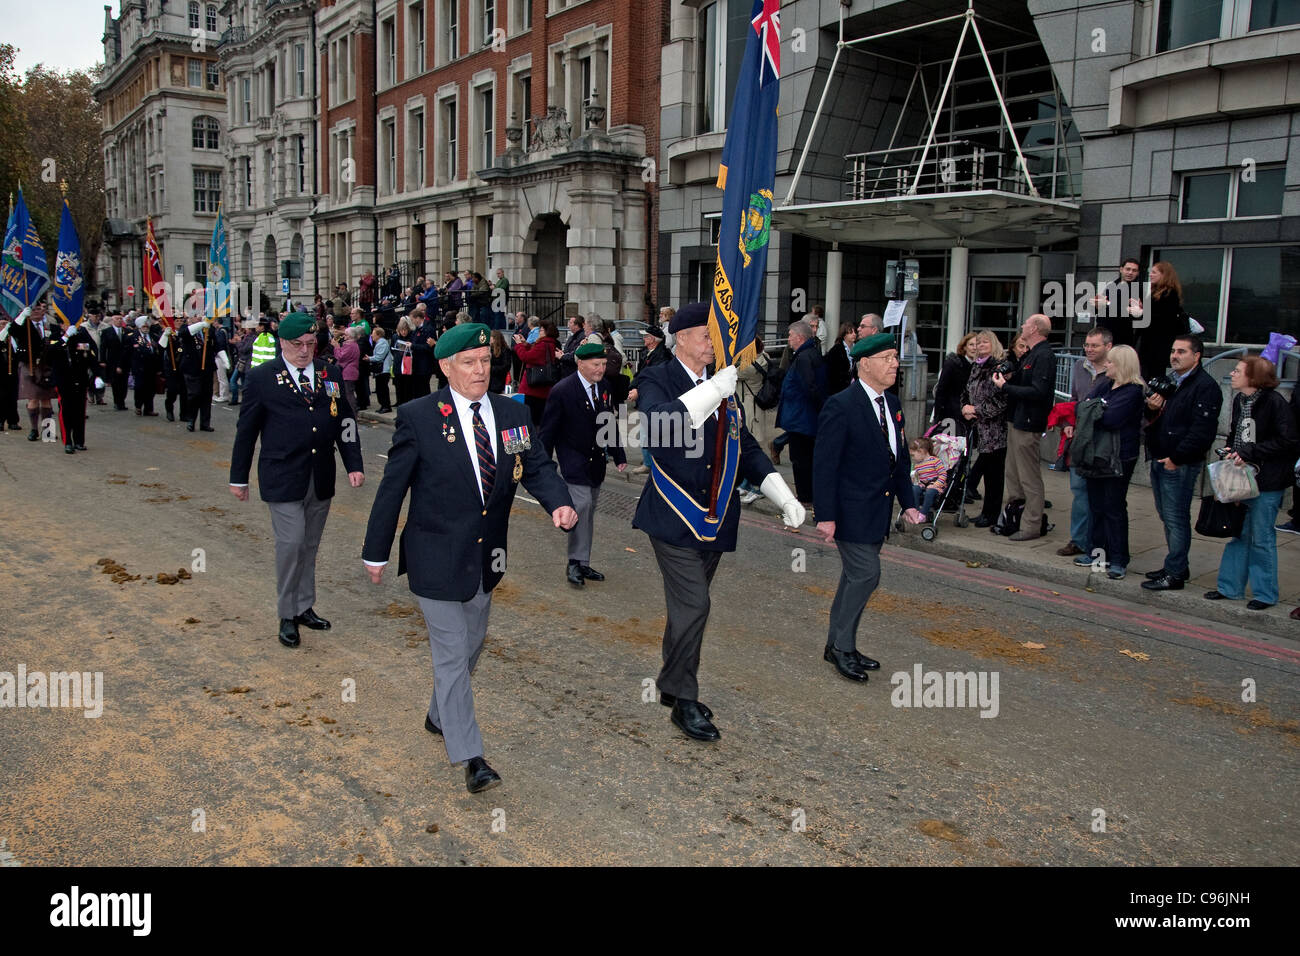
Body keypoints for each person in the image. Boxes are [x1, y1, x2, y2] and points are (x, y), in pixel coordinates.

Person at [361, 323, 577, 794]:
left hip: (486, 557)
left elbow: (534, 466)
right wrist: (375, 550)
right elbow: (392, 488)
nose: (481, 371)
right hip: (433, 554)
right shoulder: (419, 416)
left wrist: (558, 500)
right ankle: (471, 755)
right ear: (445, 367)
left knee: (473, 642)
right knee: (453, 651)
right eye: (469, 362)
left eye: (485, 361)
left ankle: (440, 712)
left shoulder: (511, 414)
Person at [632, 303, 804, 742]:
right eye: (707, 335)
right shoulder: (657, 376)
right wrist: (713, 392)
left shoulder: (721, 383)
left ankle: (671, 684)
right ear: (682, 338)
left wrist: (782, 494)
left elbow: (744, 447)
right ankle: (684, 702)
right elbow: (657, 427)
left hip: (715, 517)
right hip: (671, 517)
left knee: (687, 608)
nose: (715, 342)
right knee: (695, 606)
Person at [229, 313, 366, 647]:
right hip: (282, 475)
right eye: (297, 345)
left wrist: (354, 463)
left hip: (319, 475)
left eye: (310, 344)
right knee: (290, 544)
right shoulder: (263, 377)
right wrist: (239, 477)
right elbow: (247, 431)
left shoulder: (329, 372)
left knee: (309, 545)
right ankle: (287, 613)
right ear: (282, 343)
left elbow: (344, 422)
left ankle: (305, 605)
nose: (305, 351)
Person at [814, 333, 924, 683]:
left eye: (895, 357)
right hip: (849, 512)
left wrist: (908, 503)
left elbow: (900, 458)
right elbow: (825, 464)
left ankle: (839, 644)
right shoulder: (841, 405)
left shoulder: (891, 404)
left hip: (879, 511)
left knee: (852, 579)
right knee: (866, 575)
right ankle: (843, 649)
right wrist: (826, 516)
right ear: (864, 364)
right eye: (888, 357)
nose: (895, 363)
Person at [1203, 357, 1298, 609]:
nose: (1232, 374)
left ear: (1254, 377)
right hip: (1241, 477)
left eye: (1238, 371)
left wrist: (1249, 452)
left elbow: (1288, 441)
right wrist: (1229, 451)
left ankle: (1265, 594)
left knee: (1261, 537)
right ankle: (1229, 587)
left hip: (1267, 481)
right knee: (1238, 533)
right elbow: (1237, 435)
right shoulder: (1240, 400)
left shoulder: (1274, 403)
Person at [540, 340, 627, 586]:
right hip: (574, 460)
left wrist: (619, 454)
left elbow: (609, 422)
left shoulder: (605, 387)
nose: (601, 369)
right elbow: (547, 431)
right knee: (582, 506)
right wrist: (542, 467)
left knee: (588, 513)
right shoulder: (563, 390)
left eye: (603, 364)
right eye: (596, 364)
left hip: (596, 462)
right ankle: (575, 563)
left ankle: (584, 562)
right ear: (580, 364)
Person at [1140, 334, 1223, 591]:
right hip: (1160, 458)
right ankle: (1176, 565)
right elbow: (1160, 419)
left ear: (1196, 356)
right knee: (1167, 516)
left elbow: (1201, 432)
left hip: (1179, 463)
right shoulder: (1173, 382)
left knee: (1176, 519)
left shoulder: (1205, 387)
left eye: (1182, 352)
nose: (1174, 356)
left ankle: (1175, 574)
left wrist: (1176, 459)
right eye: (1173, 351)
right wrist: (1152, 408)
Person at [1071, 344, 1144, 579]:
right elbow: (1083, 407)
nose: (1106, 365)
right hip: (1095, 453)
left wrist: (1097, 408)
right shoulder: (1105, 384)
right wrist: (1097, 408)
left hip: (1118, 456)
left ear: (1122, 365)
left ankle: (1118, 558)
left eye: (1111, 362)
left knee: (1113, 507)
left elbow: (1111, 419)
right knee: (1096, 506)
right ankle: (1096, 552)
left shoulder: (1133, 391)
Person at [993, 314, 1056, 541]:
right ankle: (1014, 518)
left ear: (1035, 329)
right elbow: (1024, 381)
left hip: (1029, 423)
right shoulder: (1031, 354)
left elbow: (1039, 392)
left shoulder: (1044, 355)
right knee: (1014, 474)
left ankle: (1031, 525)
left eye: (1026, 324)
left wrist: (1006, 386)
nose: (1022, 326)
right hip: (1016, 419)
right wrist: (1011, 375)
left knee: (1029, 477)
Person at [1058, 326, 1113, 557]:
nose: (1089, 349)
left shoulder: (1117, 369)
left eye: (1094, 345)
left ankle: (1100, 542)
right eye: (1087, 345)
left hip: (1103, 443)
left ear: (1108, 347)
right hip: (1079, 440)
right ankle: (1079, 540)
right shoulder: (1080, 366)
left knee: (1102, 496)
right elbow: (1074, 400)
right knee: (1079, 491)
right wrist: (1067, 423)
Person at [776, 319, 827, 507]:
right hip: (804, 417)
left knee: (800, 459)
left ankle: (805, 497)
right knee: (804, 458)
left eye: (790, 335)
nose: (788, 339)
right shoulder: (809, 353)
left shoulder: (804, 357)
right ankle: (808, 494)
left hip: (802, 418)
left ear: (799, 337)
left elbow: (810, 387)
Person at [962, 330, 1010, 528]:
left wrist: (977, 410)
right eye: (978, 342)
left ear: (993, 344)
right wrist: (965, 408)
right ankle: (986, 512)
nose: (980, 345)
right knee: (987, 472)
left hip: (995, 429)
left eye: (985, 342)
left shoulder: (998, 367)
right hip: (978, 426)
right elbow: (966, 391)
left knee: (994, 476)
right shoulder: (976, 366)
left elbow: (1001, 399)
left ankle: (991, 514)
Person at [9, 299, 59, 440]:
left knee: (46, 399)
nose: (38, 311)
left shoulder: (50, 325)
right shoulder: (24, 325)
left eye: (40, 309)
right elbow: (13, 331)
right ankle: (33, 429)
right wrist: (21, 316)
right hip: (29, 364)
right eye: (35, 309)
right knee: (33, 398)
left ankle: (47, 431)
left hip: (46, 366)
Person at [47, 318, 98, 453]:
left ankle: (79, 441)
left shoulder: (81, 334)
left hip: (80, 378)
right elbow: (51, 352)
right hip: (64, 380)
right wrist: (65, 337)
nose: (70, 326)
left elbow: (91, 351)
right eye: (66, 323)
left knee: (80, 411)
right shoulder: (56, 336)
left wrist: (98, 374)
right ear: (61, 324)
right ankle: (67, 441)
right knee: (66, 411)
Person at [1134, 260, 1189, 382]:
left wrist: (1142, 312)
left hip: (1157, 346)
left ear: (1164, 275)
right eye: (1150, 272)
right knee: (1147, 375)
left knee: (1153, 377)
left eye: (1154, 272)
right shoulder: (1156, 293)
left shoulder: (1169, 295)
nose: (1151, 275)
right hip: (1150, 345)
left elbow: (1162, 320)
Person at [179, 319, 224, 432]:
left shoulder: (208, 329)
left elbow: (216, 345)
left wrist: (223, 357)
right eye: (195, 316)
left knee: (206, 396)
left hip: (207, 368)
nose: (198, 318)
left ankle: (205, 423)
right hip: (192, 368)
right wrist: (200, 325)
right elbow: (184, 334)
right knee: (194, 395)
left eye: (199, 316)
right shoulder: (186, 328)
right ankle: (191, 420)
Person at [514, 318, 561, 426]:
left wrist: (518, 345)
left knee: (526, 421)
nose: (539, 332)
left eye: (541, 330)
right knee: (538, 421)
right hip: (543, 389)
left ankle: (525, 443)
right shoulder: (551, 343)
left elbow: (526, 357)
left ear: (545, 332)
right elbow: (536, 354)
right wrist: (525, 344)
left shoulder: (542, 345)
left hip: (533, 390)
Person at [1091, 257, 1141, 347]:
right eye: (1128, 269)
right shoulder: (1111, 285)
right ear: (1121, 269)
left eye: (1134, 270)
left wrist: (1107, 304)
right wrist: (1097, 306)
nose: (1130, 272)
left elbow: (1126, 312)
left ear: (1137, 273)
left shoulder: (1138, 290)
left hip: (1121, 337)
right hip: (1103, 333)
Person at [932, 333, 975, 427]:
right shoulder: (953, 364)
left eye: (976, 345)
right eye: (971, 344)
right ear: (964, 347)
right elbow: (941, 390)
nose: (974, 348)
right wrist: (937, 416)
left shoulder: (979, 367)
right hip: (951, 413)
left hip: (971, 415)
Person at [908, 436, 947, 520]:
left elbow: (943, 474)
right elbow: (919, 479)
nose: (913, 458)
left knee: (929, 492)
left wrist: (935, 485)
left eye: (913, 455)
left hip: (936, 486)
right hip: (924, 486)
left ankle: (923, 514)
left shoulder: (935, 461)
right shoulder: (917, 465)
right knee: (914, 489)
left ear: (921, 451)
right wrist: (916, 481)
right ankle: (916, 510)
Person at [100, 311, 131, 411]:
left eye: (120, 319)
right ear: (112, 320)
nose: (119, 320)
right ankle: (117, 402)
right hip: (112, 360)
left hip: (125, 361)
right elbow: (103, 347)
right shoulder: (107, 332)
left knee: (124, 383)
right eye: (116, 319)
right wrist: (102, 360)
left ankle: (122, 400)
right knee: (116, 383)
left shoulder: (126, 331)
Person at [131, 316, 161, 417]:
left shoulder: (153, 336)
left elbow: (159, 351)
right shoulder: (133, 337)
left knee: (151, 389)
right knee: (140, 387)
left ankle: (149, 409)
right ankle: (138, 406)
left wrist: (159, 368)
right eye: (144, 326)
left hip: (151, 367)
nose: (146, 328)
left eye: (147, 326)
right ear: (139, 326)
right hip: (139, 367)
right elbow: (127, 353)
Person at [0, 314, 22, 430]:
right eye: (2, 324)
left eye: (6, 324)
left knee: (13, 397)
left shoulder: (13, 338)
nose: (5, 326)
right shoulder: (1, 337)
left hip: (13, 371)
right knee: (1, 397)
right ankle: (0, 421)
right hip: (1, 372)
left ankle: (13, 420)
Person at [334, 325, 362, 416]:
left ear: (349, 336)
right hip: (349, 372)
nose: (343, 336)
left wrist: (337, 347)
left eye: (345, 335)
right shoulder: (352, 345)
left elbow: (341, 357)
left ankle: (352, 413)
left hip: (348, 373)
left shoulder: (350, 345)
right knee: (348, 393)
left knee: (348, 394)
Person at [825, 322, 857, 395]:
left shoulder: (857, 348)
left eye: (855, 332)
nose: (854, 334)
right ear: (844, 335)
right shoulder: (836, 350)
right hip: (839, 388)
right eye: (850, 332)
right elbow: (832, 372)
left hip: (853, 387)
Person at [371, 326, 393, 412]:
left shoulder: (382, 343)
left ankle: (386, 406)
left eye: (373, 334)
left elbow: (379, 357)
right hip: (381, 370)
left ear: (378, 335)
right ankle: (383, 405)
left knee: (383, 389)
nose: (371, 336)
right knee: (380, 389)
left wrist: (369, 358)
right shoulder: (379, 343)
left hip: (384, 370)